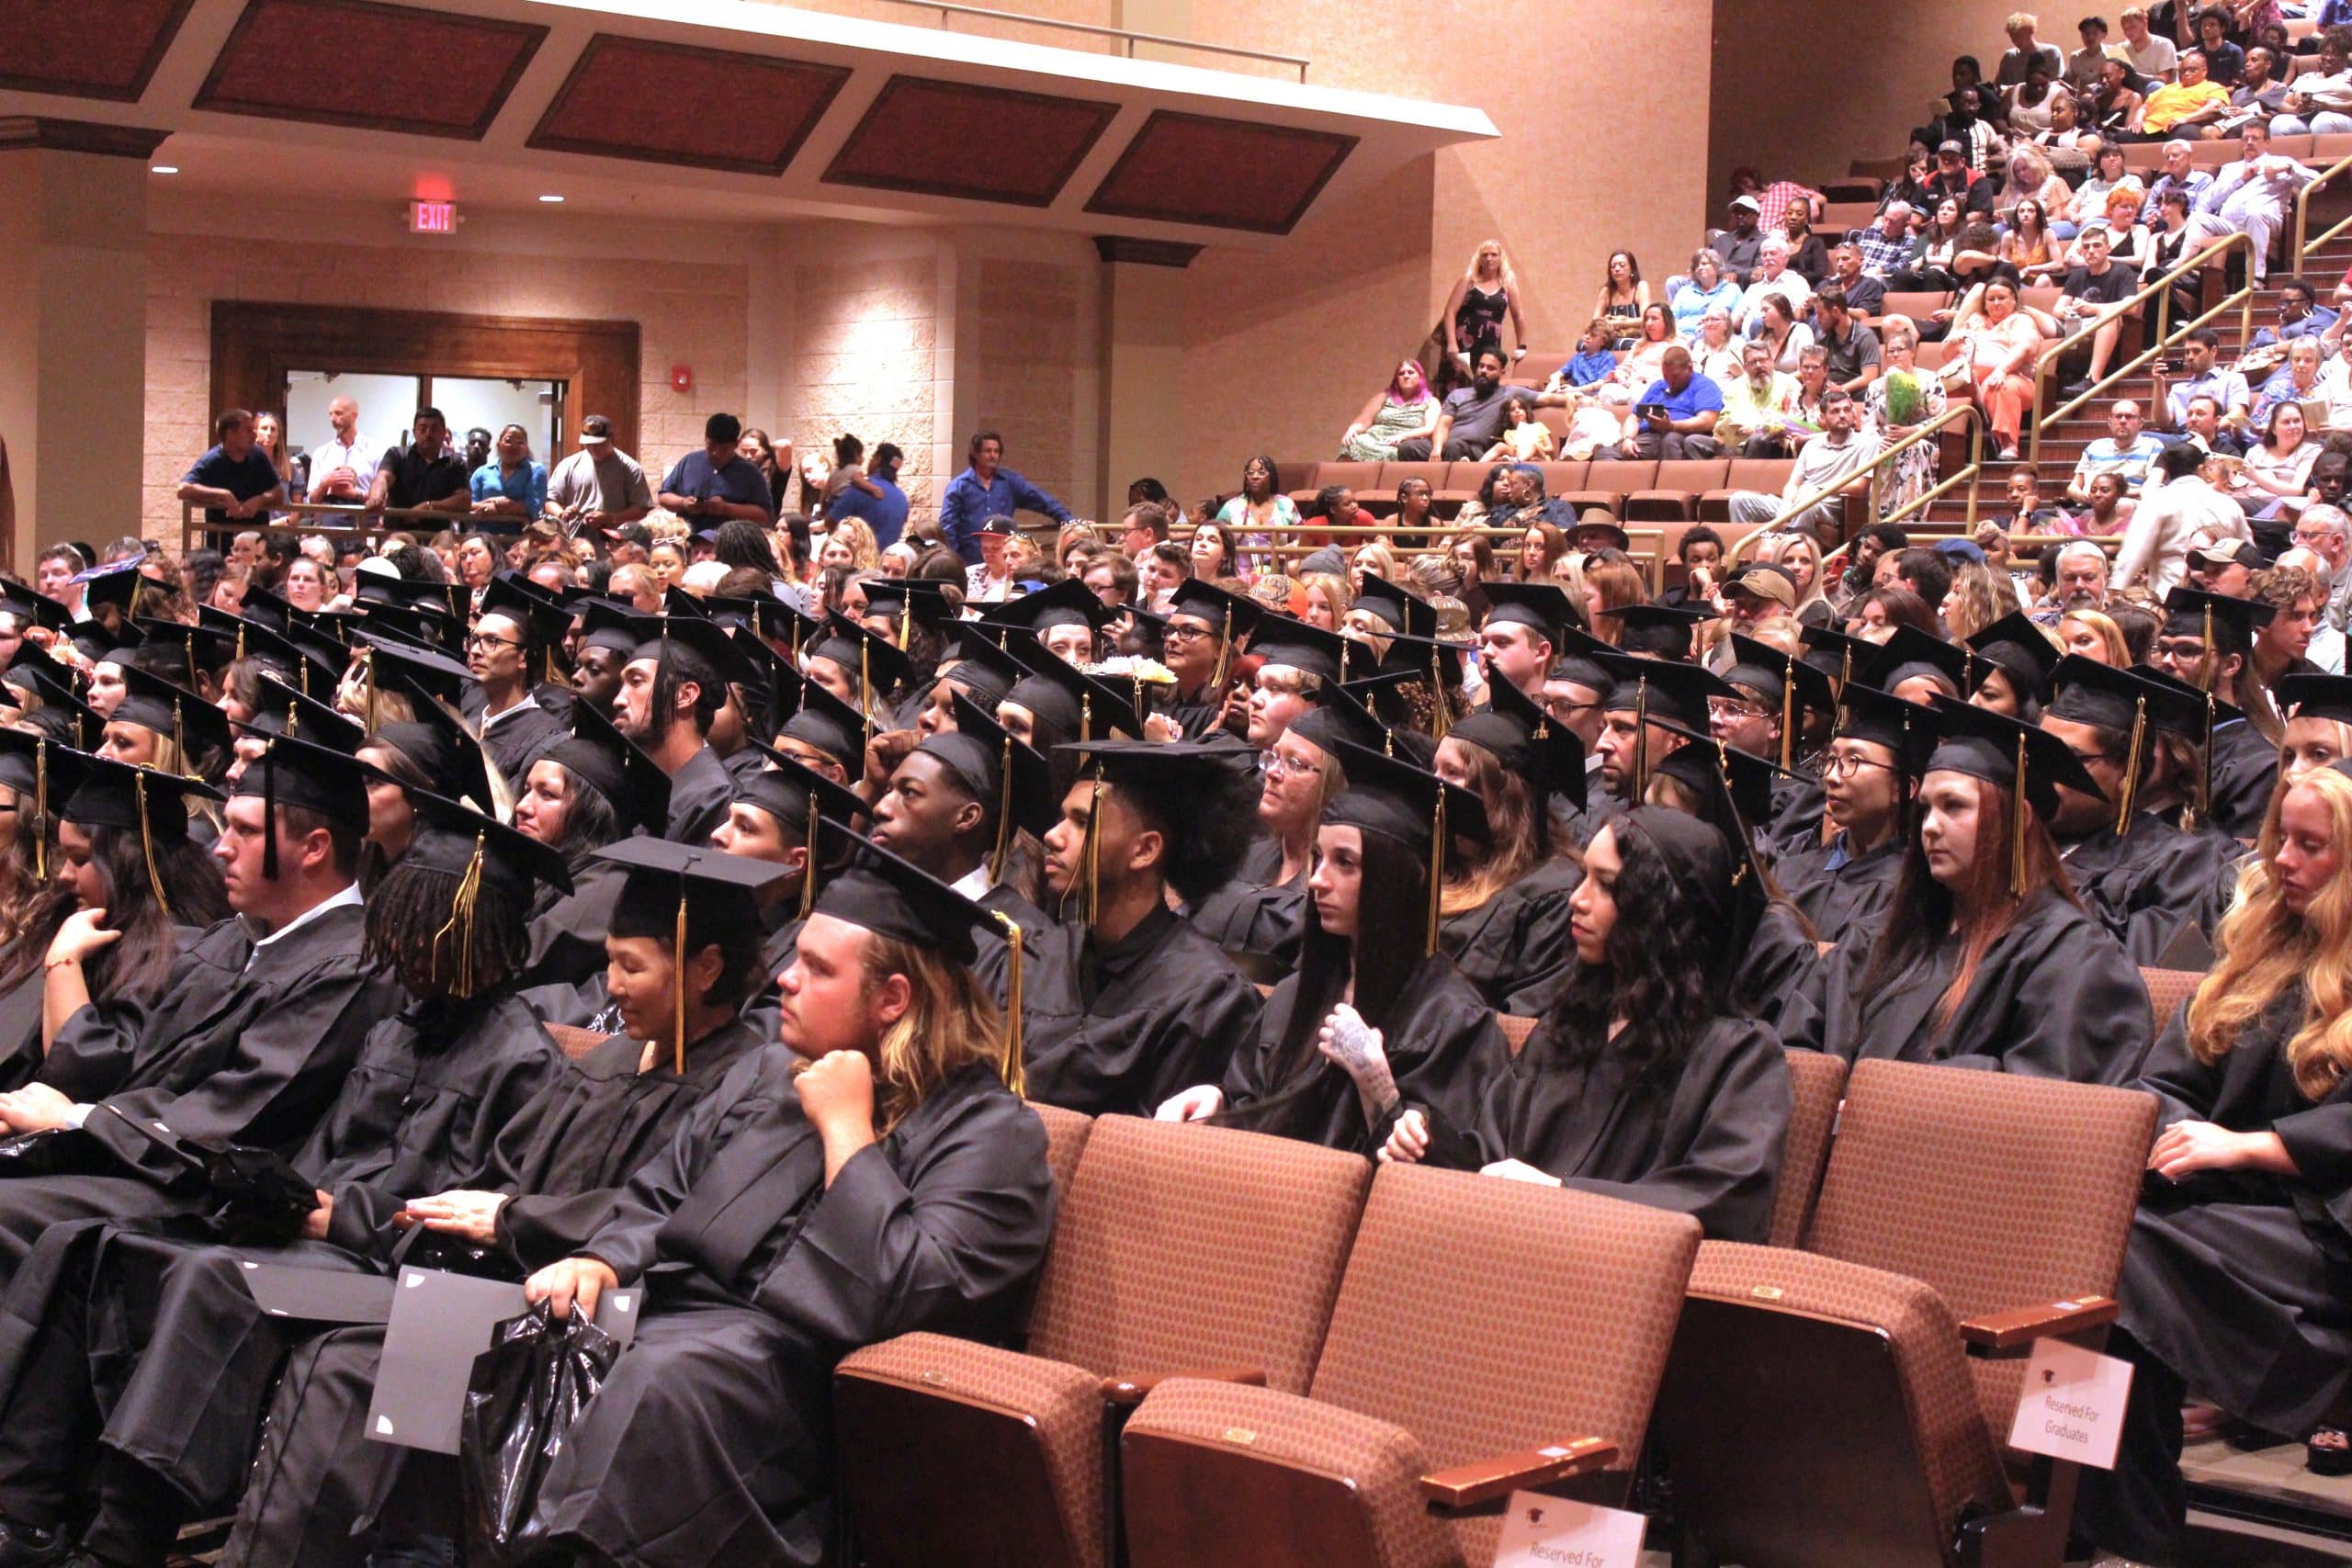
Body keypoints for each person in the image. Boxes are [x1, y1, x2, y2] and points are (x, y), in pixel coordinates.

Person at [0, 794, 567, 1568]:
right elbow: (324, 1154)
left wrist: (340, 1219)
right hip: (310, 1242)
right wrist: (274, 1191)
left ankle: (121, 1541)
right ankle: (26, 1515)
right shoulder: (396, 1031)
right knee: (89, 1242)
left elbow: (476, 1221)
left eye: (420, 936)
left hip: (391, 1271)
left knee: (213, 1279)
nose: (399, 955)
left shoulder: (523, 1060)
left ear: (473, 938)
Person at [455, 837, 1052, 1568]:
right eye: (793, 956)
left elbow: (905, 1296)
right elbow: (662, 1193)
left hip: (816, 1413)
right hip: (682, 1337)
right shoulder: (770, 1070)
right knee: (504, 1334)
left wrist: (846, 1130)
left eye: (816, 969)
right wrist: (603, 1260)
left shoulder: (992, 1134)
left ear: (893, 998)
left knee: (660, 1382)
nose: (781, 979)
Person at [218, 835, 783, 1568]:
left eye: (632, 966)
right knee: (321, 1342)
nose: (609, 985)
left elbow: (675, 1213)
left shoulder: (747, 1082)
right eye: (608, 960)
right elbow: (502, 1175)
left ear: (706, 967)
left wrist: (517, 1219)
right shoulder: (607, 1061)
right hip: (505, 1286)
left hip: (599, 1318)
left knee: (348, 1366)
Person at [2074, 761, 2352, 1566]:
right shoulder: (2257, 954)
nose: (2285, 862)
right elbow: (2163, 1079)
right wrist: (2191, 1136)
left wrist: (2257, 1146)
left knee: (2112, 1269)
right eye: (2280, 841)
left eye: (2312, 846)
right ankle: (2091, 1511)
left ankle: (2111, 1530)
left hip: (2321, 1235)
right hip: (2219, 1210)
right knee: (2093, 1264)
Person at [0, 737, 400, 1279]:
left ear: (315, 848)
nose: (220, 847)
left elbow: (230, 1124)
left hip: (204, 1202)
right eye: (228, 825)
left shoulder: (352, 968)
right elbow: (135, 1065)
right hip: (133, 1166)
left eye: (247, 831)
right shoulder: (226, 942)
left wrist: (74, 1118)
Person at [1379, 807, 1789, 1241]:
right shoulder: (1569, 1025)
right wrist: (1432, 1142)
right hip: (1509, 1257)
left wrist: (1564, 1196)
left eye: (1606, 885)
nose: (1577, 898)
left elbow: (1727, 1198)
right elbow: (1494, 1155)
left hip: (1624, 1285)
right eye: (1584, 877)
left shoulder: (1739, 1056)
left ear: (1660, 915)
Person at [1790, 699, 2151, 1079]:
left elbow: (2044, 1103)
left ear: (2019, 820)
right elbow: (1797, 1047)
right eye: (1926, 808)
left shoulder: (2073, 957)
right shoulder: (1876, 937)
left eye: (1954, 806)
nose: (1930, 826)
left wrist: (1884, 1105)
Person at [1183, 739, 1506, 1156]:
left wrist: (1380, 1090)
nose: (1317, 880)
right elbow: (1252, 1101)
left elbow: (1451, 1182)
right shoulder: (1293, 996)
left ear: (1399, 881)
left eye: (1345, 863)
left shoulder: (1453, 1022)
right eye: (1317, 858)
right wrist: (1219, 1100)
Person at [1020, 739, 1263, 1115]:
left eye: (1083, 822)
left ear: (1145, 850)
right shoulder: (1037, 954)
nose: (1053, 835)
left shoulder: (1207, 997)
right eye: (1061, 817)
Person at [611, 615, 739, 847]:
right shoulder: (632, 783)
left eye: (637, 681)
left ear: (685, 696)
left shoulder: (715, 800)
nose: (618, 700)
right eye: (621, 686)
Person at [1724, 389, 1883, 534]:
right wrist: (1786, 505)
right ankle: (1745, 557)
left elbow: (1860, 486)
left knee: (1808, 502)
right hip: (1799, 501)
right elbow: (1794, 483)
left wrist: (1820, 489)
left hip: (1826, 507)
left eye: (1847, 410)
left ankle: (1785, 548)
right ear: (1822, 417)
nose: (1842, 415)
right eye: (1835, 411)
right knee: (1739, 501)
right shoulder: (1812, 445)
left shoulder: (1867, 443)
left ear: (1854, 414)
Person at [2111, 441, 2251, 596]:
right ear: (2202, 469)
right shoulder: (2229, 504)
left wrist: (2114, 592)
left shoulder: (2156, 501)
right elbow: (2248, 555)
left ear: (2167, 471)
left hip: (2169, 597)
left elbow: (2132, 555)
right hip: (2221, 598)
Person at [1404, 346, 1555, 462]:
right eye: (1481, 366)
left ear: (1502, 372)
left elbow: (1548, 399)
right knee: (1407, 448)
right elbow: (1443, 425)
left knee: (1453, 447)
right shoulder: (1458, 394)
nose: (1483, 371)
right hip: (1446, 446)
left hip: (1474, 450)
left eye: (1490, 368)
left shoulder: (1510, 393)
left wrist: (1572, 396)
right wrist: (1436, 449)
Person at [1954, 274, 2046, 458]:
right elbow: (1950, 351)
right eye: (1991, 299)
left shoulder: (2020, 320)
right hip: (1968, 380)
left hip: (2014, 378)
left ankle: (2009, 444)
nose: (1996, 303)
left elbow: (2026, 347)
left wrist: (2002, 370)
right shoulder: (1976, 321)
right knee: (1936, 391)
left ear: (2014, 300)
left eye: (2002, 298)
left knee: (2001, 385)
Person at [1596, 344, 1724, 461]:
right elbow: (1635, 417)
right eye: (1666, 375)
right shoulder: (1659, 386)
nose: (1670, 381)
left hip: (1680, 435)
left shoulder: (1704, 386)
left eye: (1675, 376)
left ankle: (1668, 486)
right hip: (1648, 437)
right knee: (1603, 454)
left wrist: (1671, 426)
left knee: (1671, 439)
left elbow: (1707, 421)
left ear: (1690, 368)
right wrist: (1628, 439)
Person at [176, 410, 286, 538]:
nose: (254, 434)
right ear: (231, 434)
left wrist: (260, 500)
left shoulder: (258, 455)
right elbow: (183, 489)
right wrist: (223, 495)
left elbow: (278, 493)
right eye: (248, 430)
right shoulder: (212, 460)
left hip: (256, 542)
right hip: (220, 543)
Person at [658, 412, 774, 531]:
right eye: (711, 446)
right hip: (690, 538)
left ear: (736, 445)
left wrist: (726, 509)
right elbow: (663, 495)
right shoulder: (690, 461)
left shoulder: (750, 473)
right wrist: (683, 503)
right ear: (705, 439)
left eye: (724, 449)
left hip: (730, 543)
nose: (716, 453)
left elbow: (764, 515)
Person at [543, 413, 653, 534]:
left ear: (612, 438)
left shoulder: (630, 468)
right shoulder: (568, 465)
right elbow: (550, 500)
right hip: (576, 539)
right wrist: (562, 514)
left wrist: (610, 518)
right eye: (588, 444)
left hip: (614, 540)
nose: (594, 449)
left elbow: (641, 509)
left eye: (599, 444)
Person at [362, 408, 470, 515]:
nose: (428, 434)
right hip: (397, 530)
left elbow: (464, 500)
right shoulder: (397, 455)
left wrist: (429, 506)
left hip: (438, 531)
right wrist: (376, 497)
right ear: (414, 432)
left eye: (434, 429)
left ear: (444, 433)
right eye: (422, 429)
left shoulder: (455, 462)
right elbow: (383, 478)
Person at [1442, 239, 1527, 374]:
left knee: (1485, 382)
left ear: (1501, 259)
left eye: (1493, 254)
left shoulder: (1508, 284)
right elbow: (1450, 312)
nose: (1489, 258)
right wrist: (1452, 343)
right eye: (1485, 255)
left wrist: (1521, 346)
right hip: (1463, 343)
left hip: (1491, 343)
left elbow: (1518, 316)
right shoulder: (1468, 281)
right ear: (1479, 259)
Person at [1338, 361, 1442, 461]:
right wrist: (1353, 429)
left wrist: (1403, 436)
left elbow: (1429, 428)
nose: (1406, 376)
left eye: (1411, 372)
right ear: (1397, 379)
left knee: (1393, 452)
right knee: (1353, 442)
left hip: (1403, 442)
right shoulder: (1384, 397)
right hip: (1374, 438)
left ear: (1420, 377)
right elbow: (1364, 420)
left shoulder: (1431, 402)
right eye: (1401, 374)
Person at [1670, 250, 1745, 338]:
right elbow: (1671, 319)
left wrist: (1711, 327)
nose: (1700, 268)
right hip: (1683, 337)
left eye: (1704, 264)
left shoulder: (1732, 289)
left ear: (1717, 266)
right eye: (1696, 266)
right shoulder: (1684, 291)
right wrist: (1679, 336)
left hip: (1718, 338)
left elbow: (1738, 319)